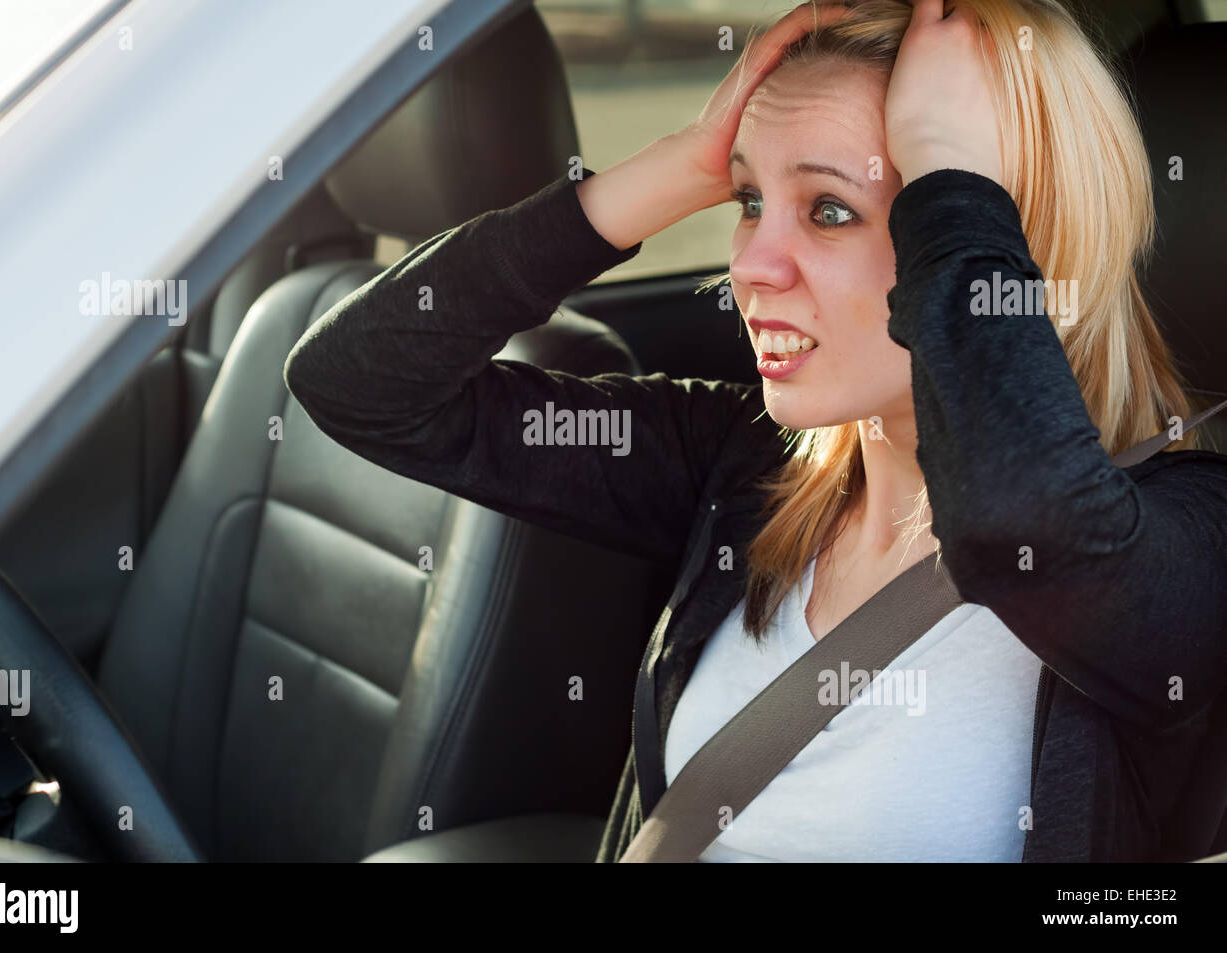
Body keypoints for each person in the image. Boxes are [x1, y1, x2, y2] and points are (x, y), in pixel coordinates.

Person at [283, 0, 1227, 862]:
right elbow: (361, 383)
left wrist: (950, 175)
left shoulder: (1186, 536)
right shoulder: (741, 466)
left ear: (997, 234)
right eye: (747, 202)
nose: (751, 265)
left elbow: (1014, 520)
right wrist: (683, 164)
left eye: (830, 210)